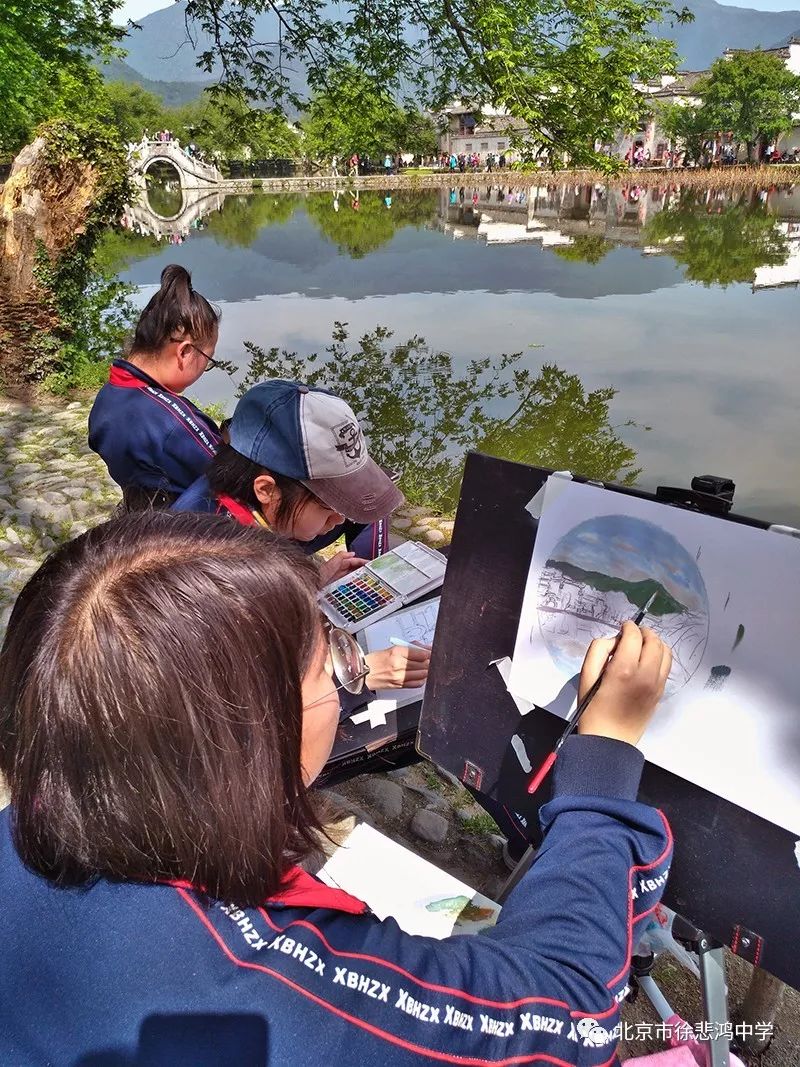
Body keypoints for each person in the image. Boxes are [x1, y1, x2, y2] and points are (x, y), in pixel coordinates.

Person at [0, 511, 673, 1065]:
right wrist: (604, 757)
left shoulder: (32, 827)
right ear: (248, 745)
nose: (346, 684)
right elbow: (566, 1008)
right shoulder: (266, 978)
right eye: (331, 669)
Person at [172, 381, 425, 692]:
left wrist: (310, 581)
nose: (341, 519)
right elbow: (234, 688)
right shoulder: (209, 565)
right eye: (330, 508)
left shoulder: (248, 511)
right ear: (266, 490)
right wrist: (355, 675)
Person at [88, 264, 222, 510]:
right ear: (185, 352)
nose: (205, 369)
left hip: (142, 512)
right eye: (208, 360)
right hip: (184, 533)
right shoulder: (171, 423)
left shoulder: (109, 396)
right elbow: (227, 474)